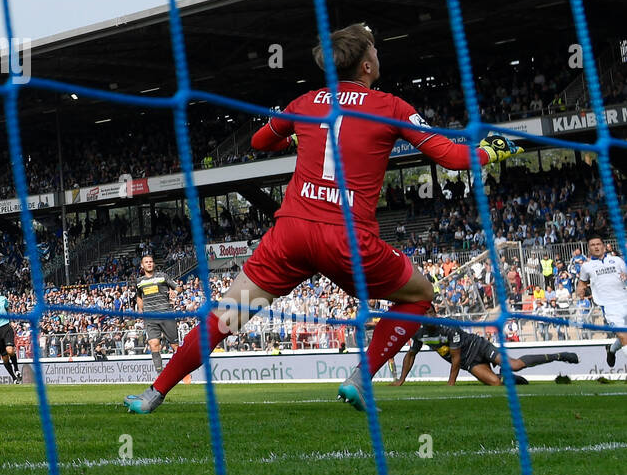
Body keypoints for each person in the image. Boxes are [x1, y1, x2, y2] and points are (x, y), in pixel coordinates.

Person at [125, 22, 525, 414]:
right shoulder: (391, 107)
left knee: (225, 316)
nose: (377, 54)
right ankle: (359, 380)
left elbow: (260, 141)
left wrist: (296, 133)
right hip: (347, 240)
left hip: (292, 235)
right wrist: (494, 148)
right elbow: (454, 158)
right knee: (420, 293)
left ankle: (153, 395)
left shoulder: (306, 103)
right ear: (366, 65)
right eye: (374, 48)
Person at [393, 310, 578, 385]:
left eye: (431, 312)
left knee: (514, 364)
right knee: (496, 383)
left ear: (435, 313)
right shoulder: (419, 332)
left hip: (478, 346)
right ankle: (513, 380)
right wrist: (401, 380)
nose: (429, 316)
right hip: (469, 362)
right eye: (425, 314)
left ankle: (559, 355)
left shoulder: (448, 326)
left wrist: (450, 384)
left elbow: (455, 358)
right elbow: (410, 355)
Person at [575, 234, 627, 366]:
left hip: (625, 300)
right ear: (589, 249)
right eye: (592, 245)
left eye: (598, 244)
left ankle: (611, 349)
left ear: (604, 246)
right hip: (609, 307)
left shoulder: (617, 260)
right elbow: (581, 284)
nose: (596, 247)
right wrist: (580, 291)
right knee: (623, 336)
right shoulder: (587, 266)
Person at [133, 253, 180, 372]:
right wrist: (140, 310)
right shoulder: (139, 282)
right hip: (150, 317)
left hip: (166, 314)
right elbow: (139, 296)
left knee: (175, 346)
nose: (149, 263)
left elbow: (178, 287)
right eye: (146, 262)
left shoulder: (163, 276)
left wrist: (176, 292)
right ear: (142, 265)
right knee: (153, 344)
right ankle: (160, 375)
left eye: (150, 261)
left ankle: (182, 371)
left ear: (153, 264)